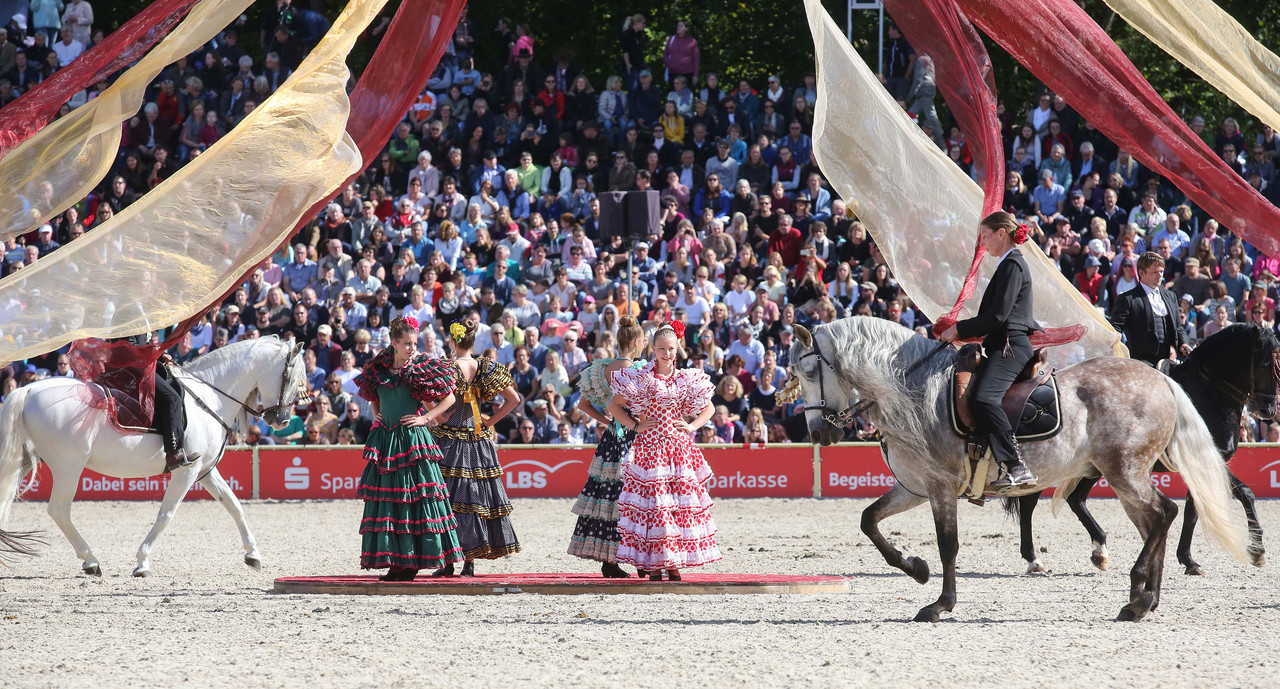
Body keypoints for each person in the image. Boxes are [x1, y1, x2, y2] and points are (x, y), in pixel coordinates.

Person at [350, 316, 462, 582]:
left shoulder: (421, 368)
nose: (412, 348)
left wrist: (425, 418)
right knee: (389, 503)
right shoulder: (378, 367)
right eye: (407, 343)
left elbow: (450, 397)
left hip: (413, 441)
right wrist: (377, 414)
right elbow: (372, 395)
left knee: (414, 501)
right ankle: (396, 563)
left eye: (415, 343)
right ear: (394, 343)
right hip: (386, 440)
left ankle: (411, 563)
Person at [607, 320, 721, 580]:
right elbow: (614, 406)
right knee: (655, 508)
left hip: (679, 451)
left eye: (670, 349)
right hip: (650, 450)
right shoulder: (642, 377)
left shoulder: (687, 378)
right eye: (661, 349)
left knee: (677, 508)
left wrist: (692, 426)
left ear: (677, 347)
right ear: (653, 350)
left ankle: (673, 562)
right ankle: (656, 564)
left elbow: (710, 408)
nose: (666, 354)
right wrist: (635, 427)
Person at [939, 211, 1040, 488]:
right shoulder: (1008, 264)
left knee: (984, 399)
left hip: (1010, 346)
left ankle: (1015, 465)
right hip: (1001, 343)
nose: (983, 243)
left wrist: (958, 329)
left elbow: (997, 317)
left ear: (1001, 234)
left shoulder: (1013, 265)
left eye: (985, 236)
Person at [432, 320, 522, 576]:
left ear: (452, 342)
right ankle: (470, 561)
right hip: (478, 438)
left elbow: (425, 394)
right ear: (474, 343)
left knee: (447, 499)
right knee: (476, 499)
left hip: (450, 438)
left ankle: (448, 561)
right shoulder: (484, 367)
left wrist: (437, 416)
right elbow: (514, 399)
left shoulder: (447, 367)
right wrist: (491, 421)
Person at [568, 315, 647, 577]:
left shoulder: (601, 369)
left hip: (613, 436)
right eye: (644, 341)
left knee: (609, 497)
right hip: (636, 435)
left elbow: (583, 405)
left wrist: (608, 420)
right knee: (637, 497)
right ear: (636, 342)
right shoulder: (639, 370)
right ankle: (640, 557)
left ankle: (610, 559)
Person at [1111, 251, 1191, 367]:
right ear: (1141, 273)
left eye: (1161, 272)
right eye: (1154, 272)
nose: (1160, 276)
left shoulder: (1170, 296)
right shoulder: (1127, 299)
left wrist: (1184, 343)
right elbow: (1115, 328)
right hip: (1140, 363)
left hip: (1167, 361)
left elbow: (1179, 327)